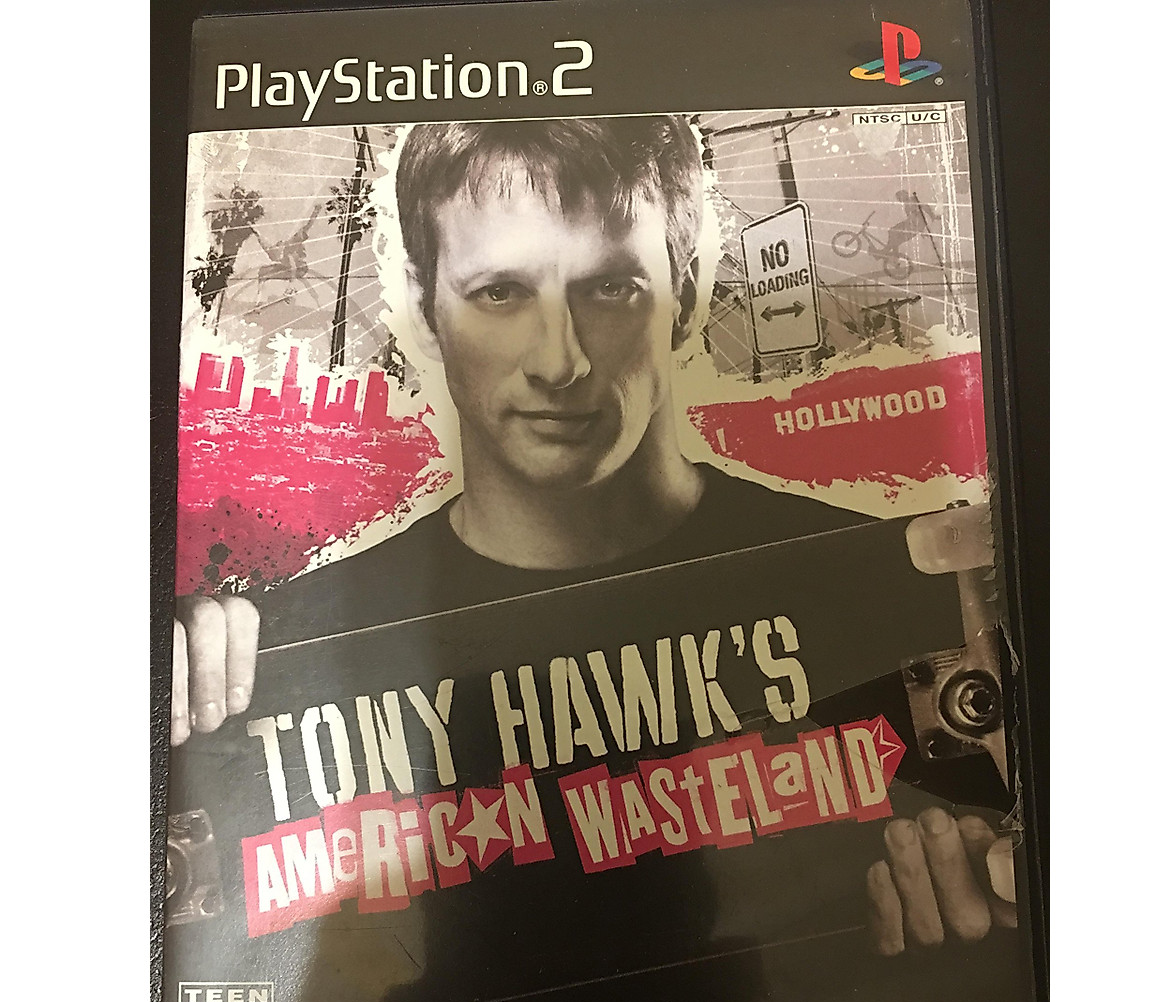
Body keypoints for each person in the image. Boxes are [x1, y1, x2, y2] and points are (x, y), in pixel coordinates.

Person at [170, 116, 1013, 956]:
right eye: (499, 293)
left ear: (686, 295)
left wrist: (1002, 905)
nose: (558, 362)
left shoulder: (914, 594)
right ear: (425, 311)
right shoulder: (277, 654)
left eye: (609, 288)